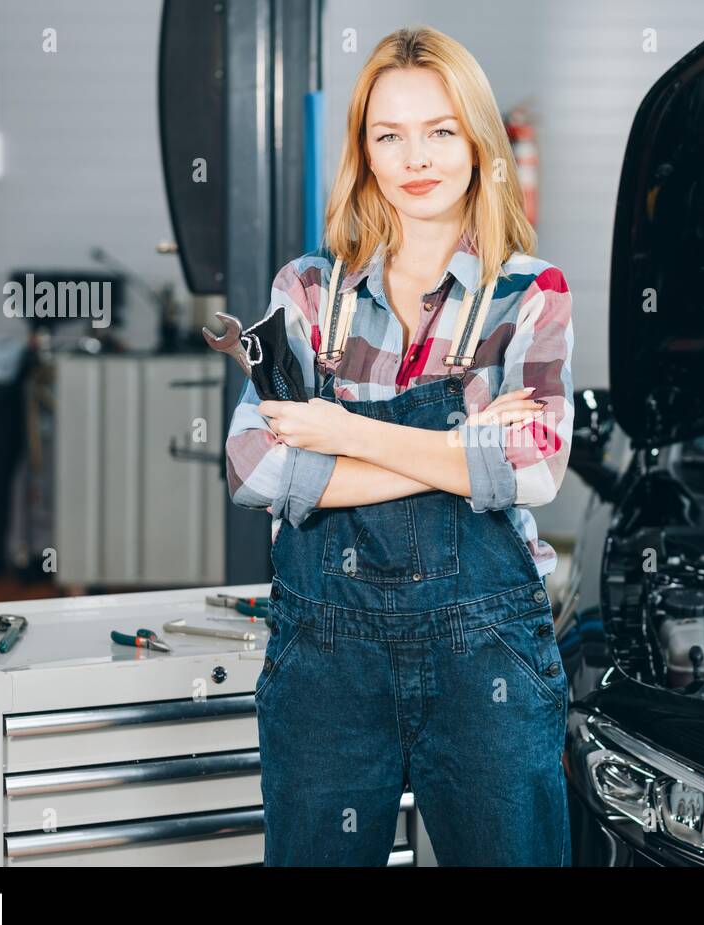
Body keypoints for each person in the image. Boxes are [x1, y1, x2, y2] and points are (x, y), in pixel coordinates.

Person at [224, 25, 575, 866]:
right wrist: (459, 455)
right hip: (324, 659)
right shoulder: (307, 291)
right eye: (389, 134)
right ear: (365, 153)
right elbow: (253, 464)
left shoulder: (531, 293)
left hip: (487, 656)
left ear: (478, 144)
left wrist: (339, 432)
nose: (416, 156)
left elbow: (533, 471)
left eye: (440, 130)